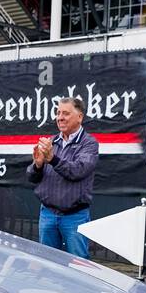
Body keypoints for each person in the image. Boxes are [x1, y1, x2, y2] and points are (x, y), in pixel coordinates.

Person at [27, 97, 99, 258]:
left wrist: (52, 159)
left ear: (79, 117)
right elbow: (32, 177)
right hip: (47, 214)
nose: (60, 117)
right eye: (58, 113)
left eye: (65, 113)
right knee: (48, 263)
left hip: (75, 216)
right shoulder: (50, 142)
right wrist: (37, 165)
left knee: (79, 264)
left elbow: (78, 170)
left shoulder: (89, 144)